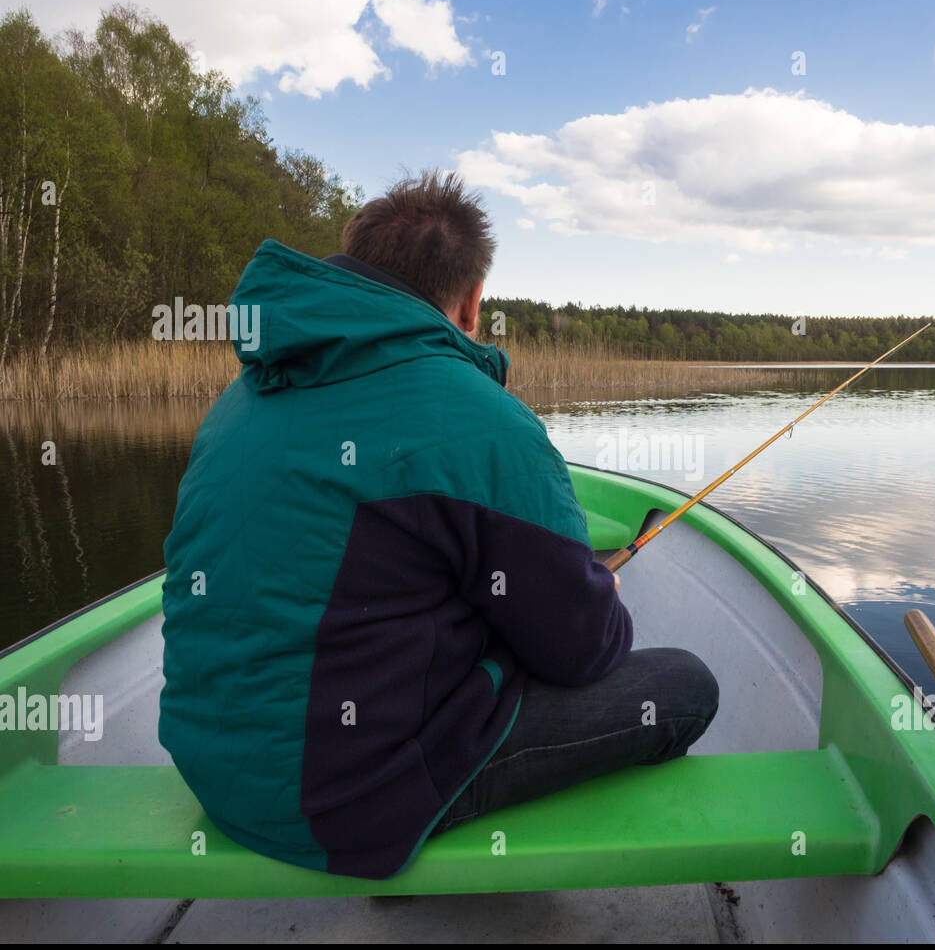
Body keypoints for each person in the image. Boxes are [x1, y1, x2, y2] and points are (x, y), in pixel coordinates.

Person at [159, 169, 718, 880]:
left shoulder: (239, 399)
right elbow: (586, 650)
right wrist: (579, 593)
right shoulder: (482, 421)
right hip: (347, 801)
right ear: (472, 301)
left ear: (356, 270)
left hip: (210, 769)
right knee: (686, 683)